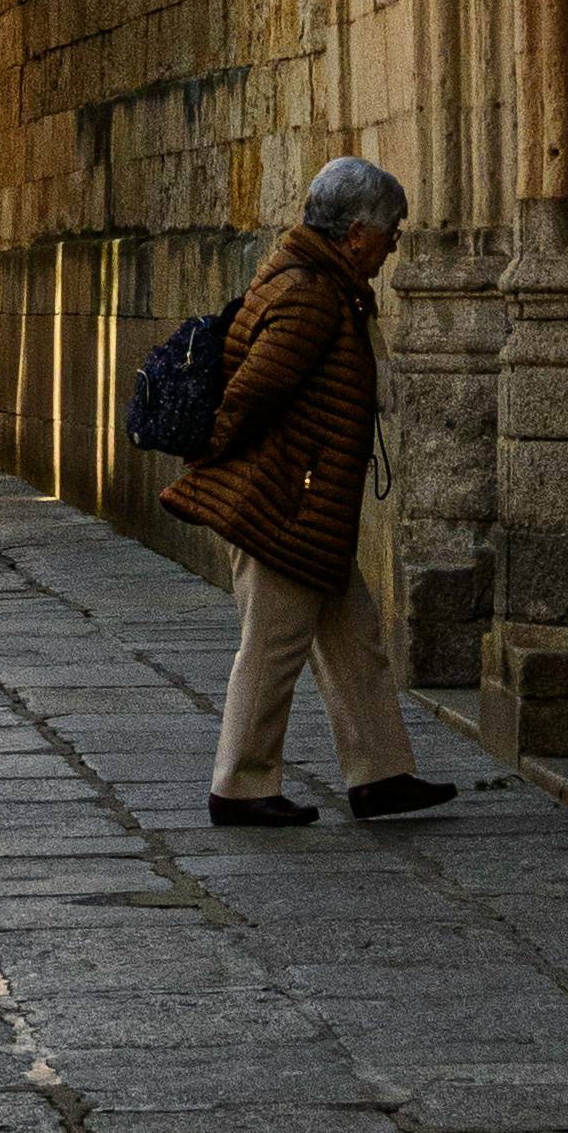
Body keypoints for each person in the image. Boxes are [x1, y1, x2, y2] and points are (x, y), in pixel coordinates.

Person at [165, 152, 460, 828]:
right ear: (357, 231)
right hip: (285, 504)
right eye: (393, 231)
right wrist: (211, 457)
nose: (393, 245)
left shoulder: (323, 282)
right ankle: (239, 786)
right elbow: (257, 387)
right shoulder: (309, 292)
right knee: (271, 648)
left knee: (354, 639)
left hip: (306, 503)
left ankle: (380, 774)